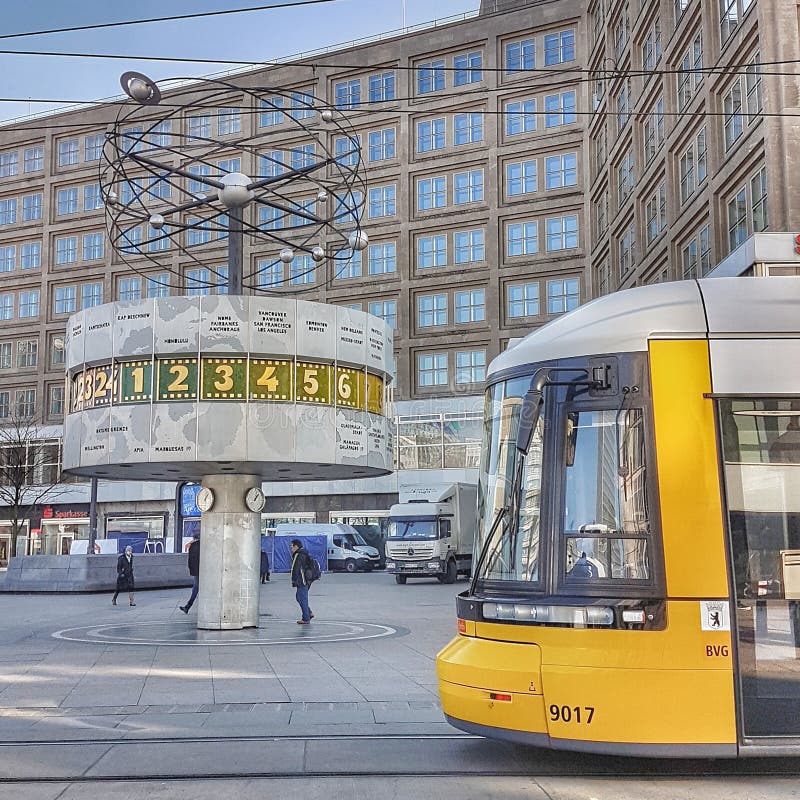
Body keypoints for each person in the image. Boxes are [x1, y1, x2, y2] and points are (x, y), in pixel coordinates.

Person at [290, 538, 314, 625]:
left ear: (296, 546)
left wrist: (294, 580)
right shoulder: (303, 553)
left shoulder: (299, 555)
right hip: (305, 579)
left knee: (302, 598)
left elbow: (296, 568)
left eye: (291, 546)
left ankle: (306, 618)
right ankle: (309, 613)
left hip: (302, 580)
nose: (291, 548)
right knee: (299, 597)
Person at [180, 535, 200, 614]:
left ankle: (187, 606)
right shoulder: (200, 545)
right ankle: (187, 606)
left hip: (197, 571)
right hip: (200, 570)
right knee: (195, 588)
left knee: (195, 588)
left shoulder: (194, 546)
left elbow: (191, 561)